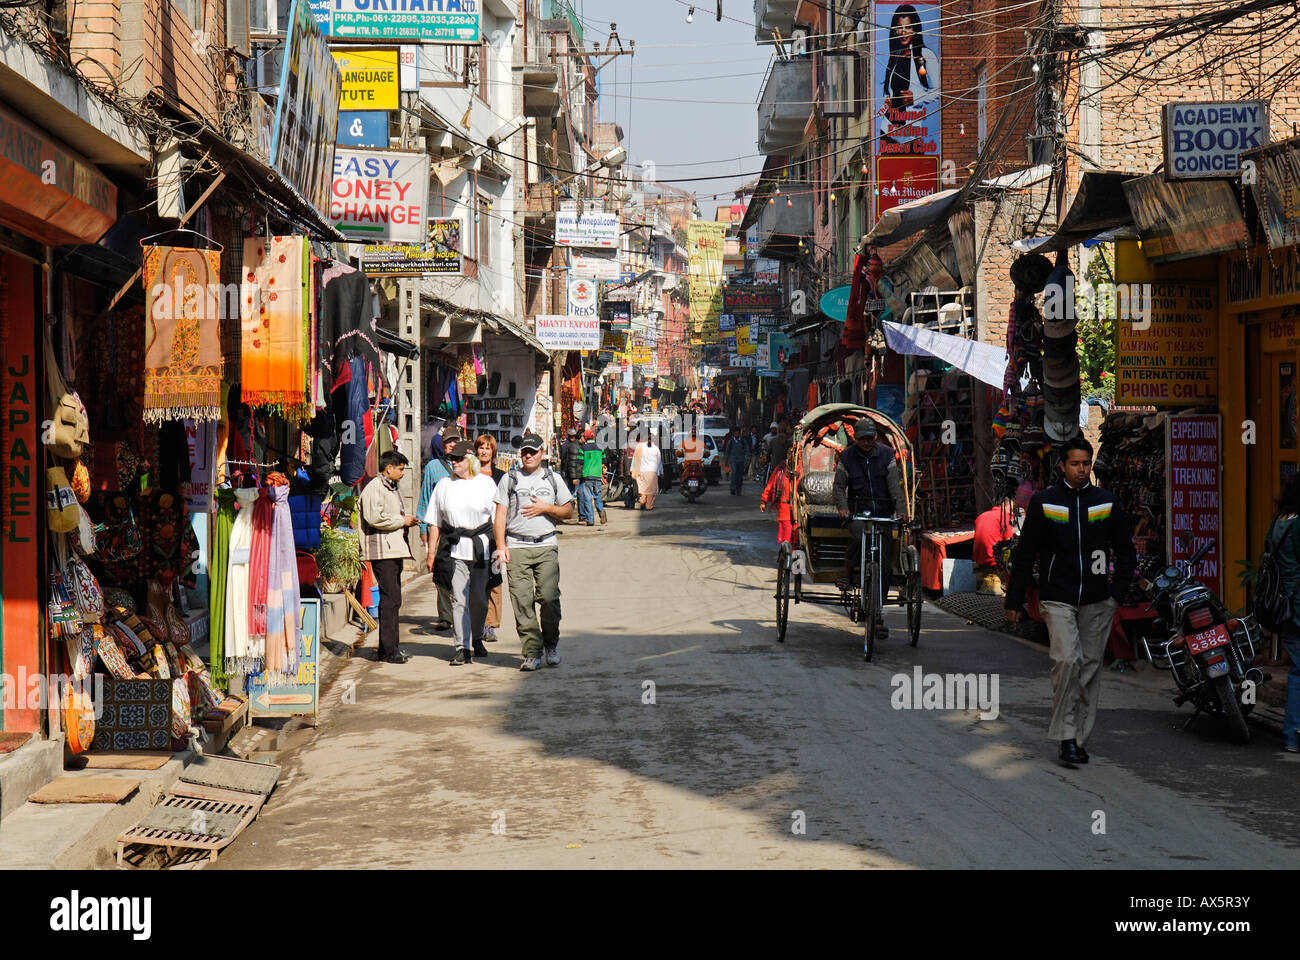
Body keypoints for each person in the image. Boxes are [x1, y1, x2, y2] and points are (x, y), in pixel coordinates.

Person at [1005, 437, 1137, 766]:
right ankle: (1065, 738)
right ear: (1062, 466)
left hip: (1097, 600)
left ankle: (1078, 739)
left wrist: (1115, 593)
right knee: (1067, 661)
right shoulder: (1045, 503)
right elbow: (1025, 554)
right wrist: (1015, 598)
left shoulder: (1105, 503)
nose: (1082, 470)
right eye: (1075, 464)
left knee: (1090, 668)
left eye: (1086, 464)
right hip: (1057, 598)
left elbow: (1126, 551)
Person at [494, 432, 574, 672]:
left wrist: (546, 508)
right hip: (517, 546)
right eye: (525, 452)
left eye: (533, 452)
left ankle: (551, 644)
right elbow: (499, 516)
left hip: (546, 545)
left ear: (542, 454)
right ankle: (531, 652)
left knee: (549, 598)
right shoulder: (509, 479)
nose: (528, 456)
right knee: (522, 601)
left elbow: (568, 511)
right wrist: (500, 546)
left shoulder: (553, 478)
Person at [424, 439, 499, 666]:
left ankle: (476, 637)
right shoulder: (444, 485)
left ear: (470, 461)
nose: (453, 462)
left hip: (482, 549)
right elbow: (434, 522)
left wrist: (501, 548)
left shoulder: (486, 485)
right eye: (452, 458)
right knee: (458, 598)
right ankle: (461, 646)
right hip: (455, 549)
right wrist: (431, 552)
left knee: (479, 599)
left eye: (458, 458)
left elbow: (498, 520)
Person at [834, 419, 909, 636]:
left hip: (882, 514)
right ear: (855, 439)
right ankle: (847, 572)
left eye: (870, 437)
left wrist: (901, 510)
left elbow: (895, 487)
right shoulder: (846, 457)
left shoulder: (886, 455)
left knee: (884, 567)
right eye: (862, 438)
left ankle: (877, 615)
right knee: (857, 536)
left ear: (875, 437)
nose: (867, 442)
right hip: (857, 512)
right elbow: (839, 487)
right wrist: (842, 507)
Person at [359, 450, 420, 664]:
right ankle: (387, 650)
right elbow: (375, 517)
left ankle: (392, 647)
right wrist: (402, 521)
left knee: (394, 600)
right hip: (381, 551)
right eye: (401, 469)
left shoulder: (390, 488)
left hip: (393, 549)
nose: (403, 473)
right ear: (389, 469)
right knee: (390, 599)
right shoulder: (374, 489)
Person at [1264, 475, 1300, 752]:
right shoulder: (1298, 525)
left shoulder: (1277, 523)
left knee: (1297, 673)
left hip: (1285, 606)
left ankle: (1291, 736)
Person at [417, 433, 456, 631]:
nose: (452, 445)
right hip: (438, 527)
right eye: (448, 442)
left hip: (463, 529)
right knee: (441, 573)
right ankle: (445, 616)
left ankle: (461, 612)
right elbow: (425, 496)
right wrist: (423, 526)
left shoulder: (468, 463)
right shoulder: (433, 467)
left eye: (455, 441)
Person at [475, 434, 507, 642]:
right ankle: (476, 622)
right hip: (474, 534)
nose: (484, 452)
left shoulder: (501, 477)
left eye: (488, 448)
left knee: (494, 580)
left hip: (495, 534)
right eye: (481, 448)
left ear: (493, 452)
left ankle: (491, 624)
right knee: (476, 581)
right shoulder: (470, 476)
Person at [973, 494, 1018, 596]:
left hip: (979, 557)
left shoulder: (982, 515)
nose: (1012, 513)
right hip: (992, 558)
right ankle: (1007, 584)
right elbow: (1008, 538)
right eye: (1011, 510)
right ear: (1003, 505)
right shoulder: (1004, 517)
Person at [760, 457, 796, 548]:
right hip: (785, 507)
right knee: (786, 539)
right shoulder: (780, 470)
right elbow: (771, 485)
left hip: (799, 508)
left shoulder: (801, 469)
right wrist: (764, 501)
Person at [577, 428, 607, 525]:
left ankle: (590, 520)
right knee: (598, 496)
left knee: (588, 498)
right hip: (597, 475)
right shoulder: (600, 447)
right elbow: (604, 460)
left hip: (587, 475)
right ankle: (601, 512)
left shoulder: (583, 448)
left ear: (585, 437)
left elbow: (580, 461)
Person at [633, 431, 663, 510]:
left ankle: (642, 500)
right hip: (652, 472)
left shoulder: (639, 446)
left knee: (643, 489)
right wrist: (661, 472)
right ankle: (649, 506)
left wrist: (633, 471)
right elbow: (659, 462)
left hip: (642, 472)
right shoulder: (656, 448)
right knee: (651, 492)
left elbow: (636, 460)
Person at [723, 426, 749, 495]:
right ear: (733, 433)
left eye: (737, 432)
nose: (736, 434)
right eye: (735, 432)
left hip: (741, 460)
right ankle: (733, 488)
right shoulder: (731, 441)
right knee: (734, 473)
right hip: (733, 460)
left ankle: (739, 489)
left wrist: (747, 459)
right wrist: (726, 461)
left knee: (740, 475)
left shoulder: (743, 441)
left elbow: (747, 450)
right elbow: (727, 451)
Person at [562, 427, 585, 499]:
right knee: (574, 491)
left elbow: (565, 458)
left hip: (571, 472)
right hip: (575, 472)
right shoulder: (576, 445)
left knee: (571, 491)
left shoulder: (567, 445)